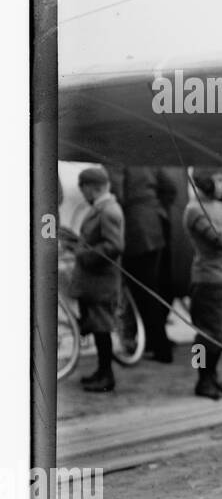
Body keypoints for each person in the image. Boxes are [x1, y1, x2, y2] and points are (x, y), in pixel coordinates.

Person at [183, 169, 222, 399]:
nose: (221, 184)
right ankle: (202, 379)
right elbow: (221, 240)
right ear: (204, 180)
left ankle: (213, 375)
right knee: (207, 334)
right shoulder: (193, 209)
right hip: (208, 280)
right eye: (218, 179)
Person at [71, 166, 125, 393]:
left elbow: (114, 246)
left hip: (101, 283)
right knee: (97, 326)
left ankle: (107, 376)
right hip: (95, 283)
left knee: (102, 330)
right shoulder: (102, 208)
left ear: (92, 188)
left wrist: (83, 254)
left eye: (83, 189)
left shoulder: (108, 211)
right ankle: (102, 372)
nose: (82, 195)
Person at [120, 166, 178, 363]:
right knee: (157, 287)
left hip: (135, 229)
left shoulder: (114, 158)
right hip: (156, 225)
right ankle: (158, 342)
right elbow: (170, 187)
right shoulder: (144, 158)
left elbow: (118, 195)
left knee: (143, 291)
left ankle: (159, 347)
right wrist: (157, 207)